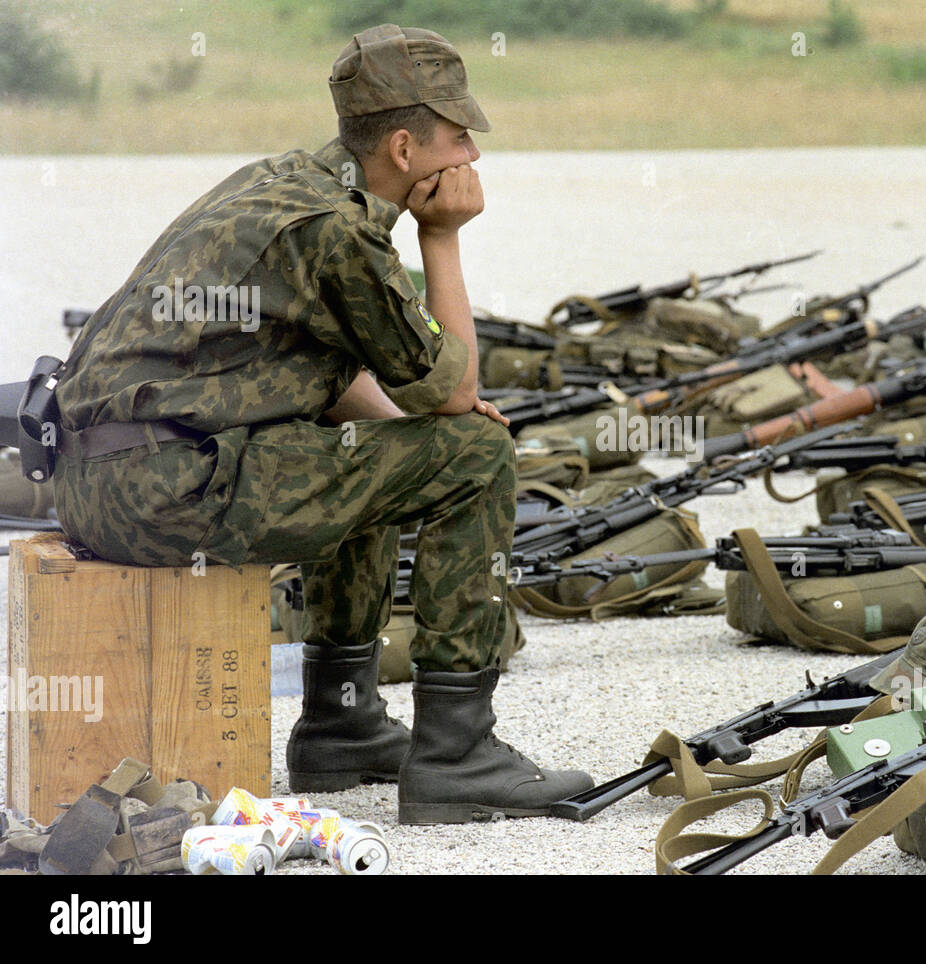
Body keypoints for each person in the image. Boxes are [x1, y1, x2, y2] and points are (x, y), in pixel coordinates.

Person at [50, 24, 593, 824]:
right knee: (478, 453)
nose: (472, 156)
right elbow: (451, 391)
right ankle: (457, 756)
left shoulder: (286, 182)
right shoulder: (335, 229)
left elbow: (340, 387)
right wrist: (440, 239)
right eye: (458, 136)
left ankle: (341, 723)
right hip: (167, 486)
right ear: (404, 148)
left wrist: (415, 445)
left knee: (378, 456)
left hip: (107, 479)